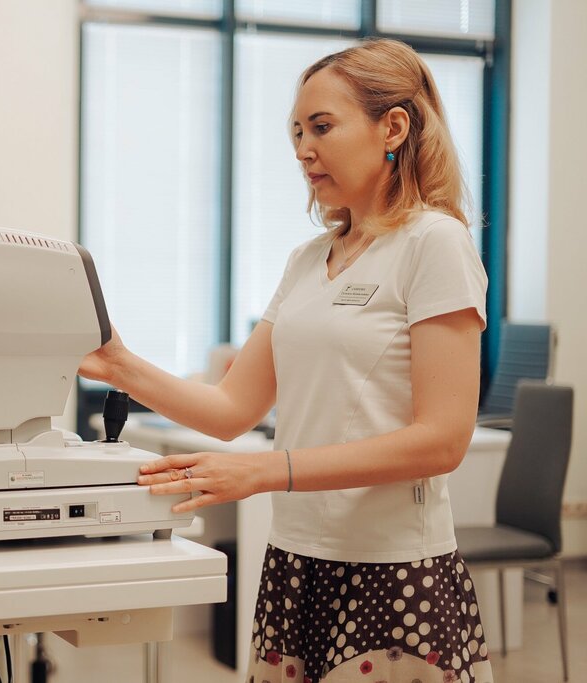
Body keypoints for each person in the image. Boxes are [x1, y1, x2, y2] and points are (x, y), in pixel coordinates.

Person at [80, 39, 493, 683]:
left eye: (322, 127)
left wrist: (266, 471)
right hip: (296, 563)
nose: (303, 148)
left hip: (392, 570)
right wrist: (117, 364)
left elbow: (442, 440)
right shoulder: (307, 260)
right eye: (297, 132)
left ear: (393, 128)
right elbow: (230, 409)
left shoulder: (434, 243)